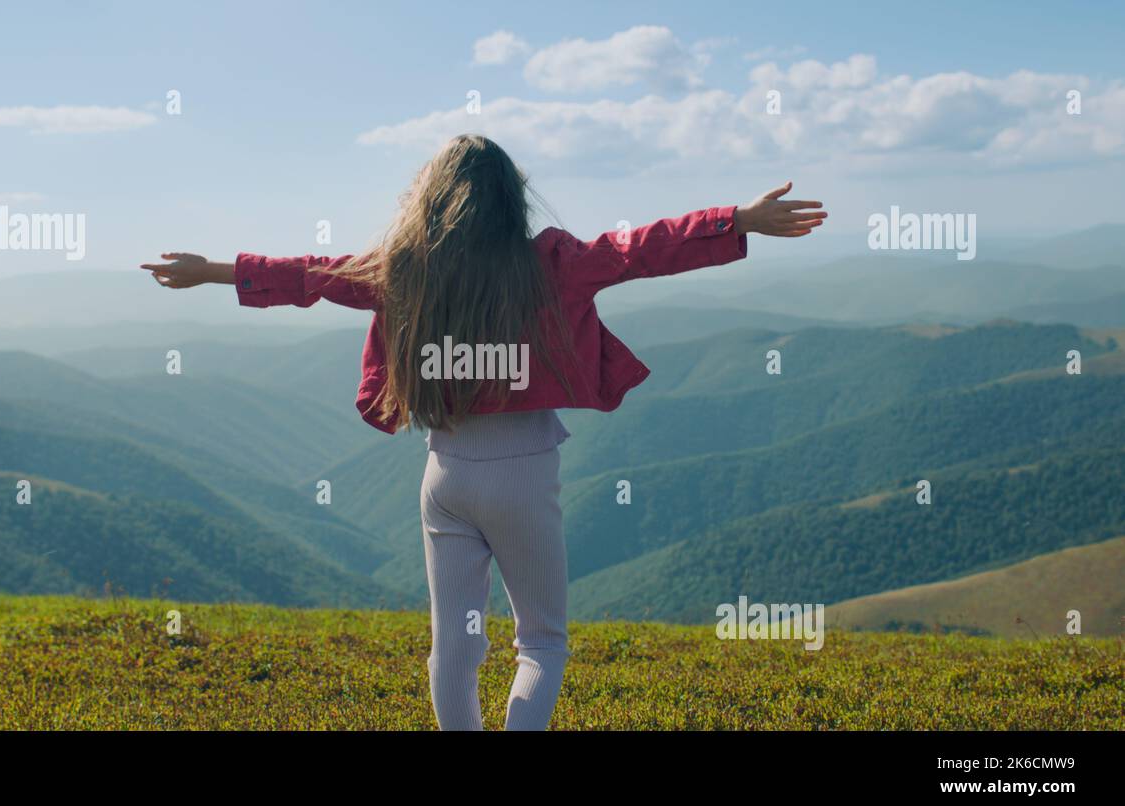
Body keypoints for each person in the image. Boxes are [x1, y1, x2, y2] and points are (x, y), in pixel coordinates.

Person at [141, 133, 826, 730]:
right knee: (543, 641)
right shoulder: (552, 264)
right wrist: (739, 218)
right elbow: (640, 250)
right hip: (522, 468)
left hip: (444, 474)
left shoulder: (405, 270)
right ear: (509, 199)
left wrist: (208, 271)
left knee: (454, 646)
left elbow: (311, 275)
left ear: (431, 201)